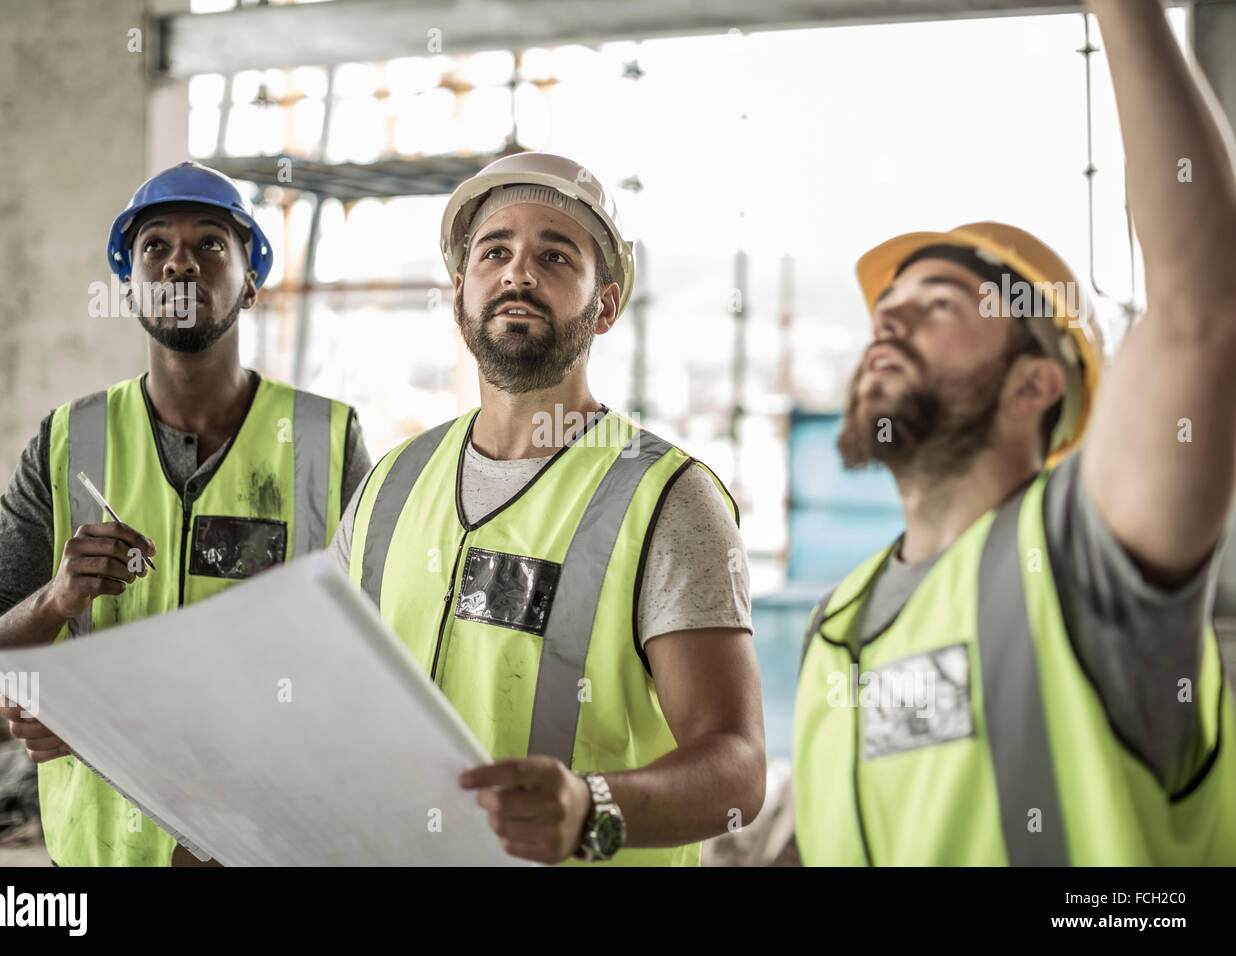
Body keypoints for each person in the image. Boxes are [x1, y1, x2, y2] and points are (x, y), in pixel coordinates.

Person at [793, 0, 1236, 865]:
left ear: (1034, 382)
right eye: (887, 310)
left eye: (939, 305)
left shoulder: (1081, 555)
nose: (888, 325)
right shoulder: (834, 627)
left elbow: (1202, 311)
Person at [331, 152, 765, 865]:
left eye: (555, 256)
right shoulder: (391, 485)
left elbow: (739, 772)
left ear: (605, 307)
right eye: (493, 252)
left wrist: (592, 807)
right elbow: (330, 695)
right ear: (459, 298)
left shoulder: (664, 498)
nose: (517, 273)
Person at [0, 161, 372, 866]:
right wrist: (53, 604)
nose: (180, 265)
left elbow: (374, 669)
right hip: (100, 857)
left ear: (251, 280)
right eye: (154, 248)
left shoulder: (326, 442)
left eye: (209, 245)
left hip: (267, 845)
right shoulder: (67, 442)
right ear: (130, 285)